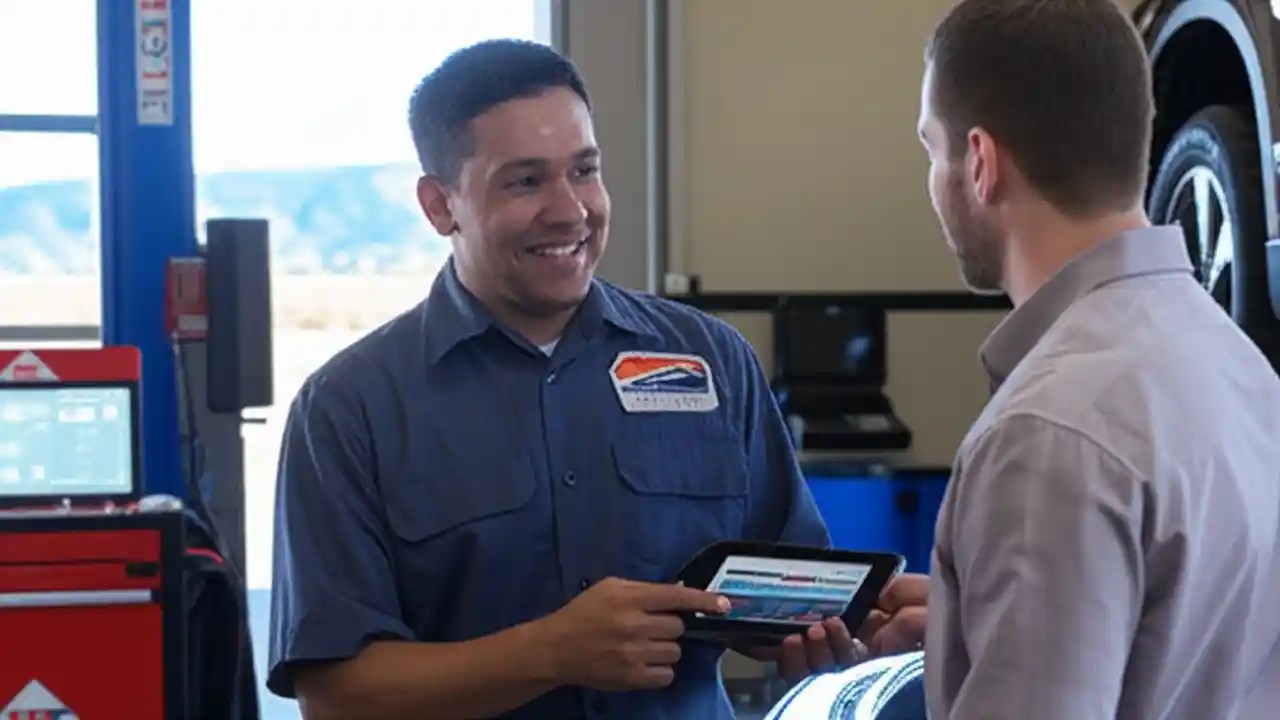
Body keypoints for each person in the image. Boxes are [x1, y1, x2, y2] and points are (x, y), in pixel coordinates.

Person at [265, 39, 894, 719]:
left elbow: (783, 594)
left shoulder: (712, 360)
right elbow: (334, 696)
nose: (571, 211)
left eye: (585, 170)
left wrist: (833, 630)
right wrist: (552, 652)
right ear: (439, 205)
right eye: (526, 181)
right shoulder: (350, 408)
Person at [911, 0, 1280, 717]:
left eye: (932, 149)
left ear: (981, 163)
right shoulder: (1244, 374)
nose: (934, 177)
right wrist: (979, 618)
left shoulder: (1048, 434)